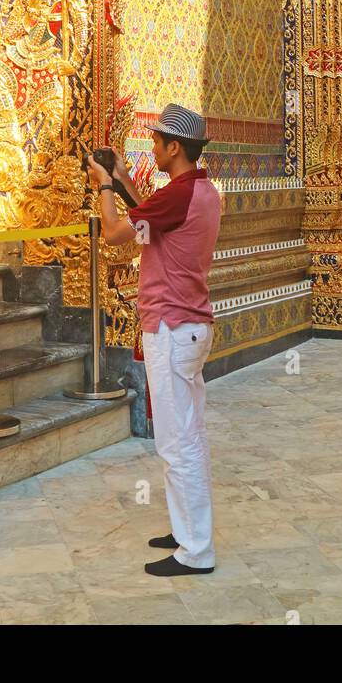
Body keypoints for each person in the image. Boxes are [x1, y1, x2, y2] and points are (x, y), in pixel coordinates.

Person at [86, 103, 221, 576]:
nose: (154, 148)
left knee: (176, 442)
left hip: (173, 328)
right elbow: (150, 218)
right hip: (189, 326)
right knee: (189, 436)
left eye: (159, 142)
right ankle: (187, 531)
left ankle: (196, 551)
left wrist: (103, 185)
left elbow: (118, 232)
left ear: (176, 148)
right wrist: (123, 178)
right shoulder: (197, 192)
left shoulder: (179, 195)